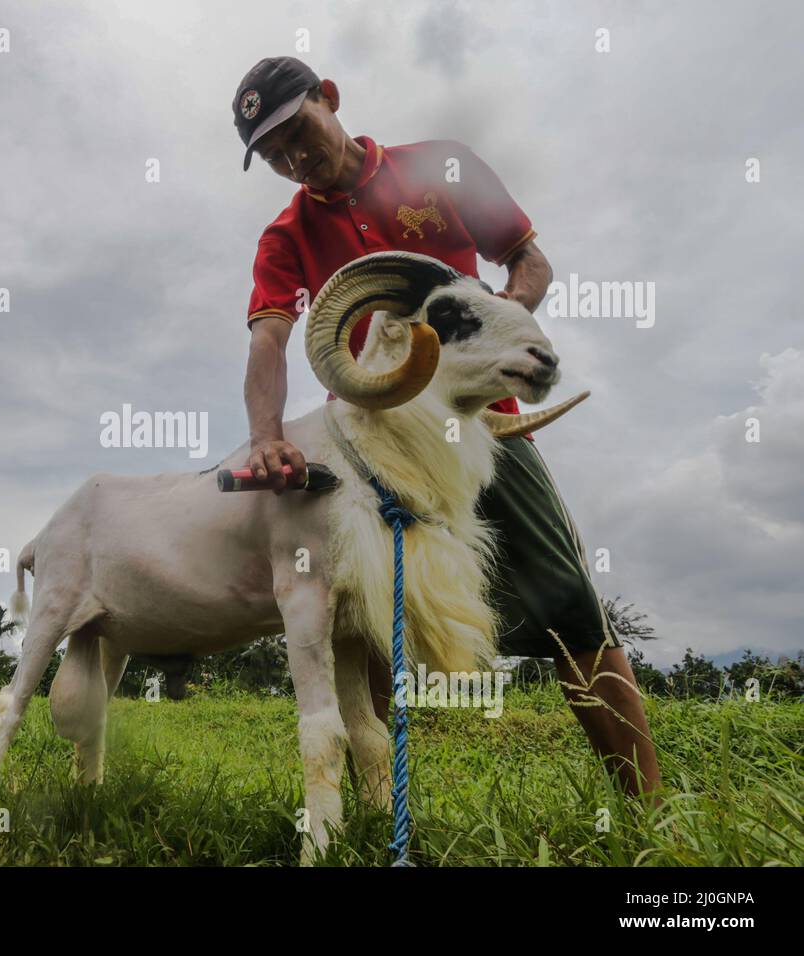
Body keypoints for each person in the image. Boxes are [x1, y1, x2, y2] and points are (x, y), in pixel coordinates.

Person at [233, 56, 660, 796]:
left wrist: (500, 314)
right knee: (367, 613)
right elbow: (268, 337)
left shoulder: (441, 168)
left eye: (297, 131)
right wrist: (267, 435)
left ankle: (645, 803)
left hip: (479, 426)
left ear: (330, 98)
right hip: (370, 447)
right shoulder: (286, 236)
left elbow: (528, 260)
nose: (293, 158)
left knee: (566, 600)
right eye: (271, 155)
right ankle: (373, 804)